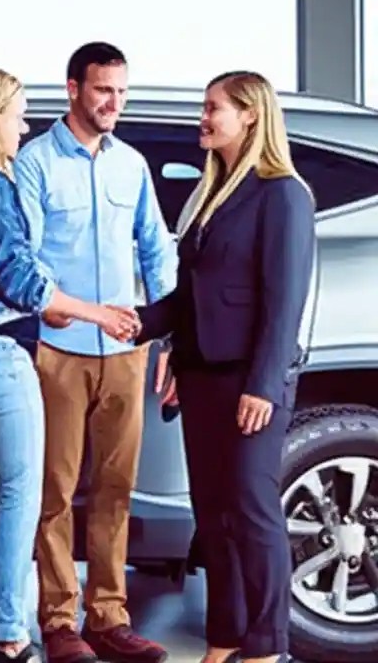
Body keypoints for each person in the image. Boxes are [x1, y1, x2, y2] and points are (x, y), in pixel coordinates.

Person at [0, 64, 140, 663]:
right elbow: (20, 278)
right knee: (23, 496)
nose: (24, 125)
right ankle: (10, 637)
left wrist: (56, 307)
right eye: (16, 114)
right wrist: (94, 312)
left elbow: (2, 278)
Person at [135, 71, 315, 663]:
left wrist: (264, 385)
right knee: (212, 514)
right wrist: (137, 324)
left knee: (252, 510)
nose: (203, 118)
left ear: (251, 115)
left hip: (249, 380)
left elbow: (283, 301)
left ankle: (266, 648)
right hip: (202, 375)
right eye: (204, 108)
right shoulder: (212, 195)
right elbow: (190, 297)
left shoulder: (281, 193)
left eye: (214, 108)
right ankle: (225, 640)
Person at [12, 42, 174, 663]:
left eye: (122, 91)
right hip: (57, 350)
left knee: (116, 488)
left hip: (126, 352)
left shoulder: (130, 165)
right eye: (104, 89)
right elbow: (24, 261)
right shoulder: (34, 164)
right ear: (73, 89)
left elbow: (156, 250)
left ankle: (108, 617)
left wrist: (169, 336)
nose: (114, 102)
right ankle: (59, 623)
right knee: (54, 490)